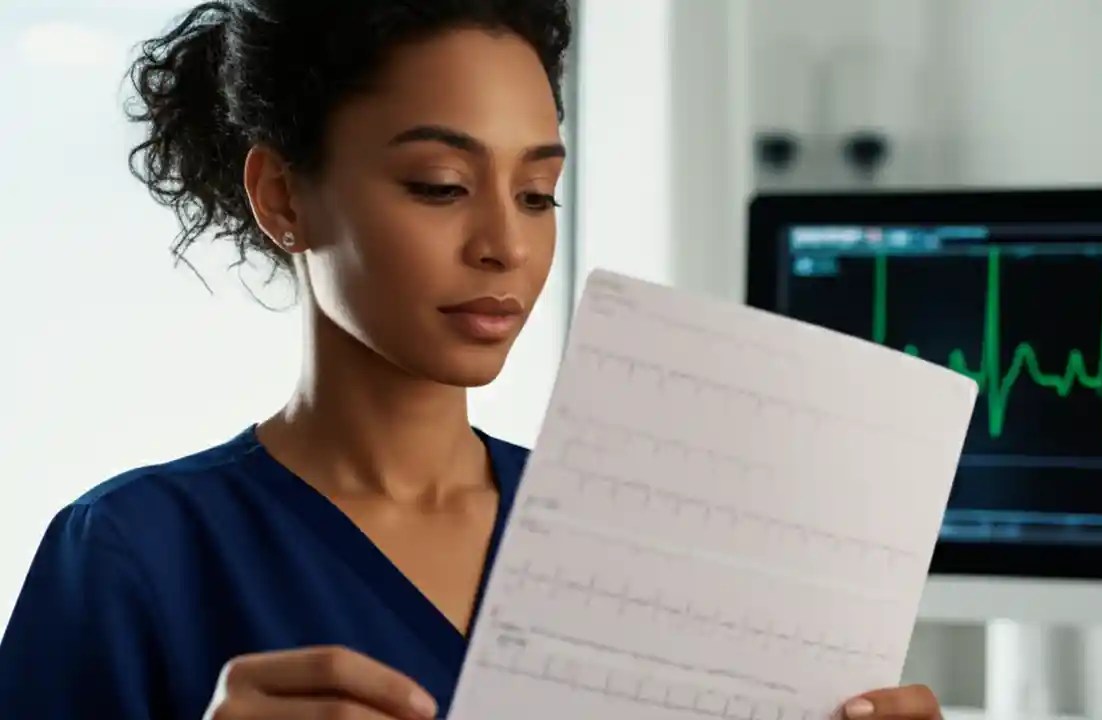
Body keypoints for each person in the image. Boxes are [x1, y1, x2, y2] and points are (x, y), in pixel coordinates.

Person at [0, 1, 943, 718]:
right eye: (440, 185)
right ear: (283, 195)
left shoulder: (647, 549)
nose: (506, 245)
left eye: (537, 194)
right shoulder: (132, 558)